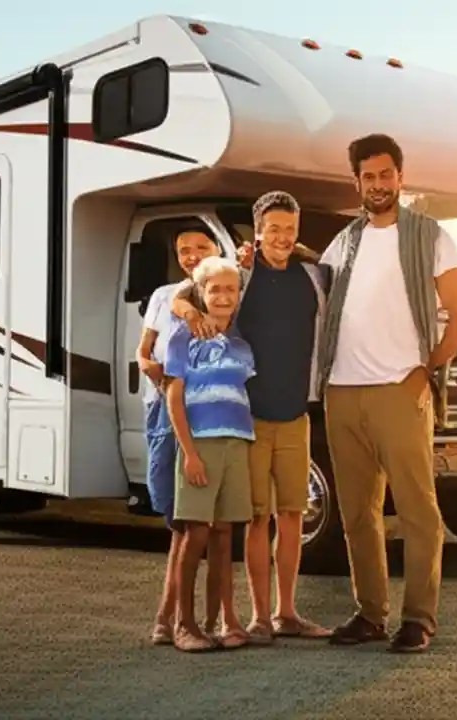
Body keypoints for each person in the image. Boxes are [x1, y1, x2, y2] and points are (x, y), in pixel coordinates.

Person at [315, 133, 457, 653]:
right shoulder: (344, 241)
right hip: (342, 390)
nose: (378, 184)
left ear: (400, 178)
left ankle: (419, 618)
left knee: (417, 510)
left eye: (387, 175)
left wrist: (425, 371)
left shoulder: (430, 236)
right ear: (357, 182)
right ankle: (369, 613)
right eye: (368, 177)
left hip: (398, 391)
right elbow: (314, 292)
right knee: (358, 513)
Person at [170, 191, 332, 645]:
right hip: (251, 420)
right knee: (258, 519)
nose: (282, 236)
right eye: (273, 228)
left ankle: (287, 612)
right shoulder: (240, 273)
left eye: (290, 228)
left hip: (296, 415)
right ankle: (259, 616)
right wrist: (185, 309)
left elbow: (330, 270)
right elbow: (187, 292)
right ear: (257, 232)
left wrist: (298, 250)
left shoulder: (311, 276)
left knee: (294, 515)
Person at [139, 227, 242, 648]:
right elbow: (144, 350)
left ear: (217, 251)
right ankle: (174, 620)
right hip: (165, 409)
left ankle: (173, 620)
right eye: (183, 249)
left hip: (211, 421)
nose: (192, 254)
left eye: (201, 247)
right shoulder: (167, 296)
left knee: (194, 525)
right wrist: (151, 368)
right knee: (179, 519)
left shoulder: (223, 302)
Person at [160, 255, 258, 652]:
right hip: (200, 444)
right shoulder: (183, 337)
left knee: (223, 534)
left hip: (237, 443)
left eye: (230, 289)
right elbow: (173, 396)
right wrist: (190, 453)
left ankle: (220, 621)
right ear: (200, 292)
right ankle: (183, 625)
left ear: (238, 296)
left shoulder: (241, 344)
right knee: (195, 533)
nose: (222, 296)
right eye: (214, 289)